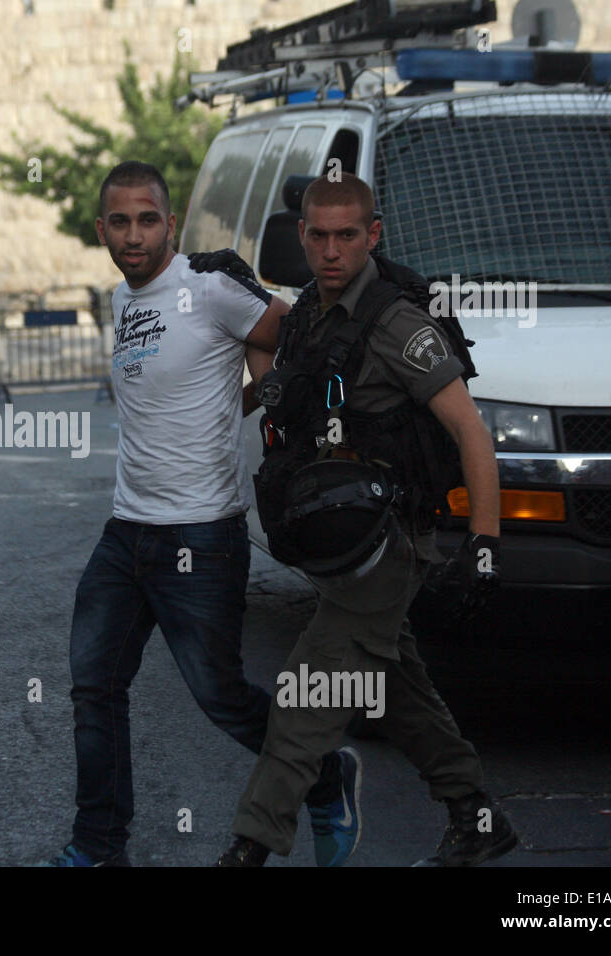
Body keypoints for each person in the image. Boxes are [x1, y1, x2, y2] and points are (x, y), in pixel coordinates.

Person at [43, 161, 362, 867]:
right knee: (94, 688)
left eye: (147, 219)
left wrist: (272, 396)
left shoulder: (209, 287)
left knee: (220, 697)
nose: (134, 234)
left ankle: (321, 773)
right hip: (126, 530)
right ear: (102, 230)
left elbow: (298, 338)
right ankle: (97, 848)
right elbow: (191, 391)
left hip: (201, 533)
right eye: (119, 222)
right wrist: (231, 403)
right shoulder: (123, 301)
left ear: (171, 224)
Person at [217, 172, 516, 867]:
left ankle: (250, 847)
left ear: (372, 234)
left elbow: (471, 431)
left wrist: (486, 545)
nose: (331, 250)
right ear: (302, 237)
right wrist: (241, 298)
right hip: (343, 542)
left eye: (346, 235)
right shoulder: (311, 315)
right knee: (393, 685)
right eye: (318, 236)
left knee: (306, 694)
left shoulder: (396, 323)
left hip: (388, 545)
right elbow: (273, 392)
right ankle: (476, 817)